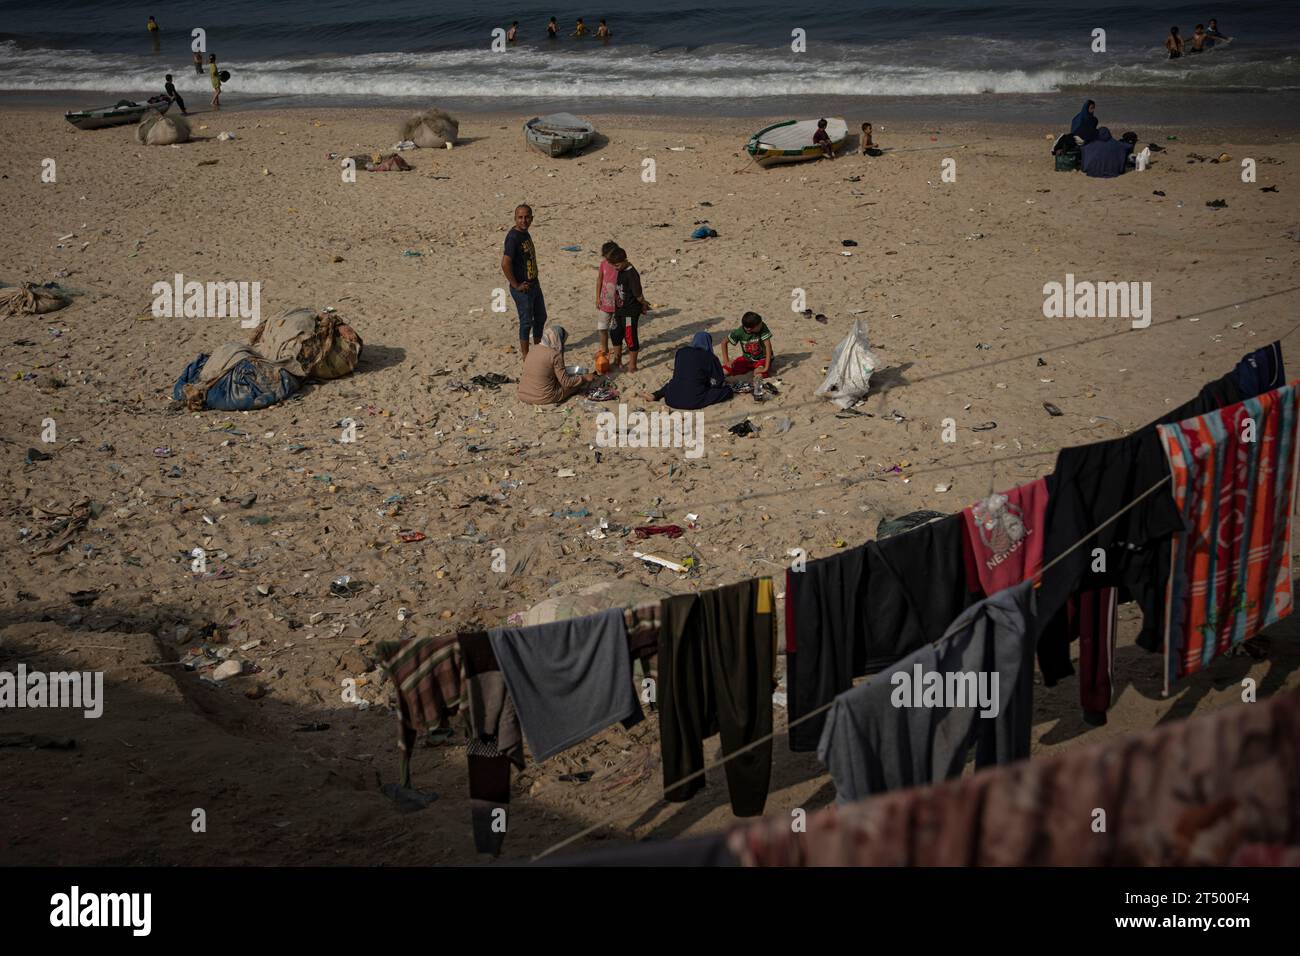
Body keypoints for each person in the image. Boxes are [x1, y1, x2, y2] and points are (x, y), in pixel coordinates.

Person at [642, 332, 733, 410]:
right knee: (727, 391)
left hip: (671, 398)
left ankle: (656, 395)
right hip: (692, 400)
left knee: (675, 382)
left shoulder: (681, 352)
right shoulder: (710, 357)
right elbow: (718, 382)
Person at [502, 204, 546, 358]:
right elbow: (505, 263)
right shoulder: (513, 237)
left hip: (534, 284)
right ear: (515, 219)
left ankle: (538, 350)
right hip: (523, 288)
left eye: (527, 217)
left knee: (541, 317)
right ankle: (527, 356)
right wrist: (516, 285)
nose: (524, 220)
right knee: (526, 322)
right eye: (520, 217)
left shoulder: (525, 234)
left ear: (532, 218)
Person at [518, 326, 594, 405]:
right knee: (576, 385)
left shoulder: (533, 349)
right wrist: (584, 378)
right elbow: (566, 382)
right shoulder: (554, 355)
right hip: (543, 397)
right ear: (558, 340)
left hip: (523, 394)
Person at [610, 247, 649, 373]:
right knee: (615, 333)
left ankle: (632, 365)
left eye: (617, 265)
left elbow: (638, 294)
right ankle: (617, 360)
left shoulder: (632, 274)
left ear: (624, 260)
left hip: (630, 312)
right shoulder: (620, 270)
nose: (615, 268)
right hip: (619, 309)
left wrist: (644, 304)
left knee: (629, 337)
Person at [722, 311, 775, 377]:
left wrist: (766, 368)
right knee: (725, 371)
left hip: (762, 358)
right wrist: (726, 361)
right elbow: (724, 342)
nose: (761, 324)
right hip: (747, 359)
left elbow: (768, 347)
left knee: (758, 373)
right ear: (750, 329)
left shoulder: (762, 327)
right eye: (759, 325)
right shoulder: (739, 332)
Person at [595, 241, 620, 356]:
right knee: (602, 328)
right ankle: (604, 349)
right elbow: (599, 280)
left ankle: (617, 351)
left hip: (618, 305)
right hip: (604, 304)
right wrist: (597, 298)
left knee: (616, 331)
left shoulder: (619, 266)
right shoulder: (603, 264)